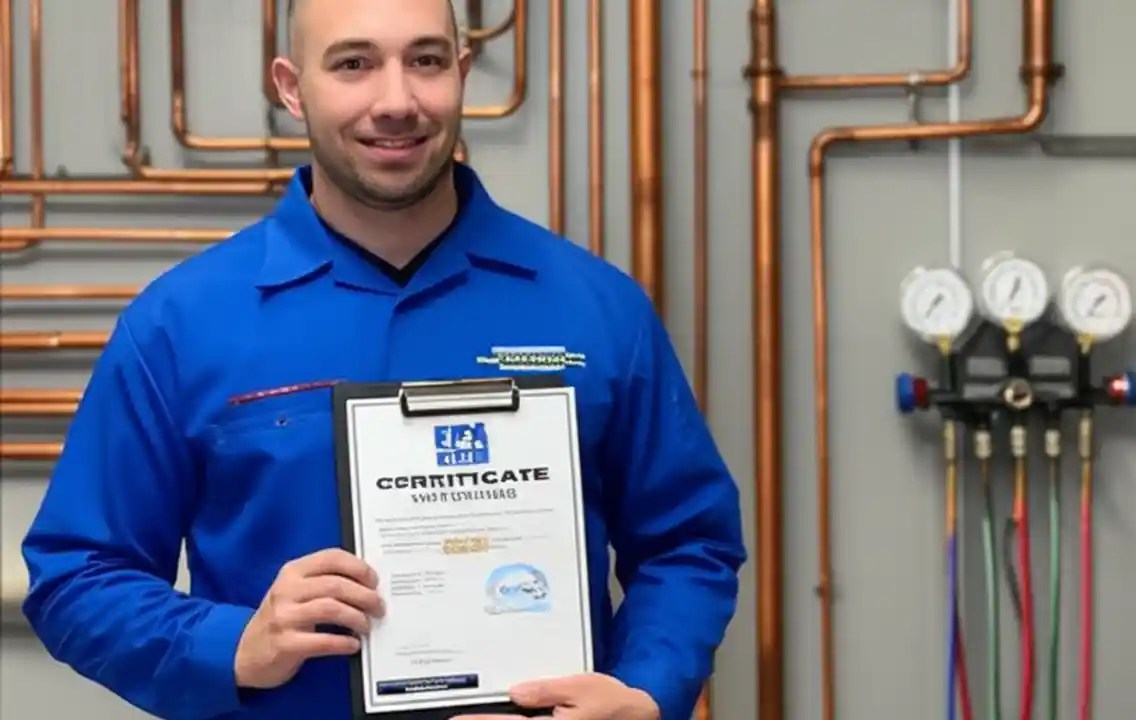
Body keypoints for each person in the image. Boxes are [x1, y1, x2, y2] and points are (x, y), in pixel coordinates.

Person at [18, 0, 747, 718]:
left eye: (426, 61)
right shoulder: (183, 322)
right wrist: (234, 644)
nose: (395, 100)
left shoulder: (596, 308)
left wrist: (645, 693)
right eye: (354, 64)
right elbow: (78, 576)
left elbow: (688, 543)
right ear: (292, 87)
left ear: (462, 73)